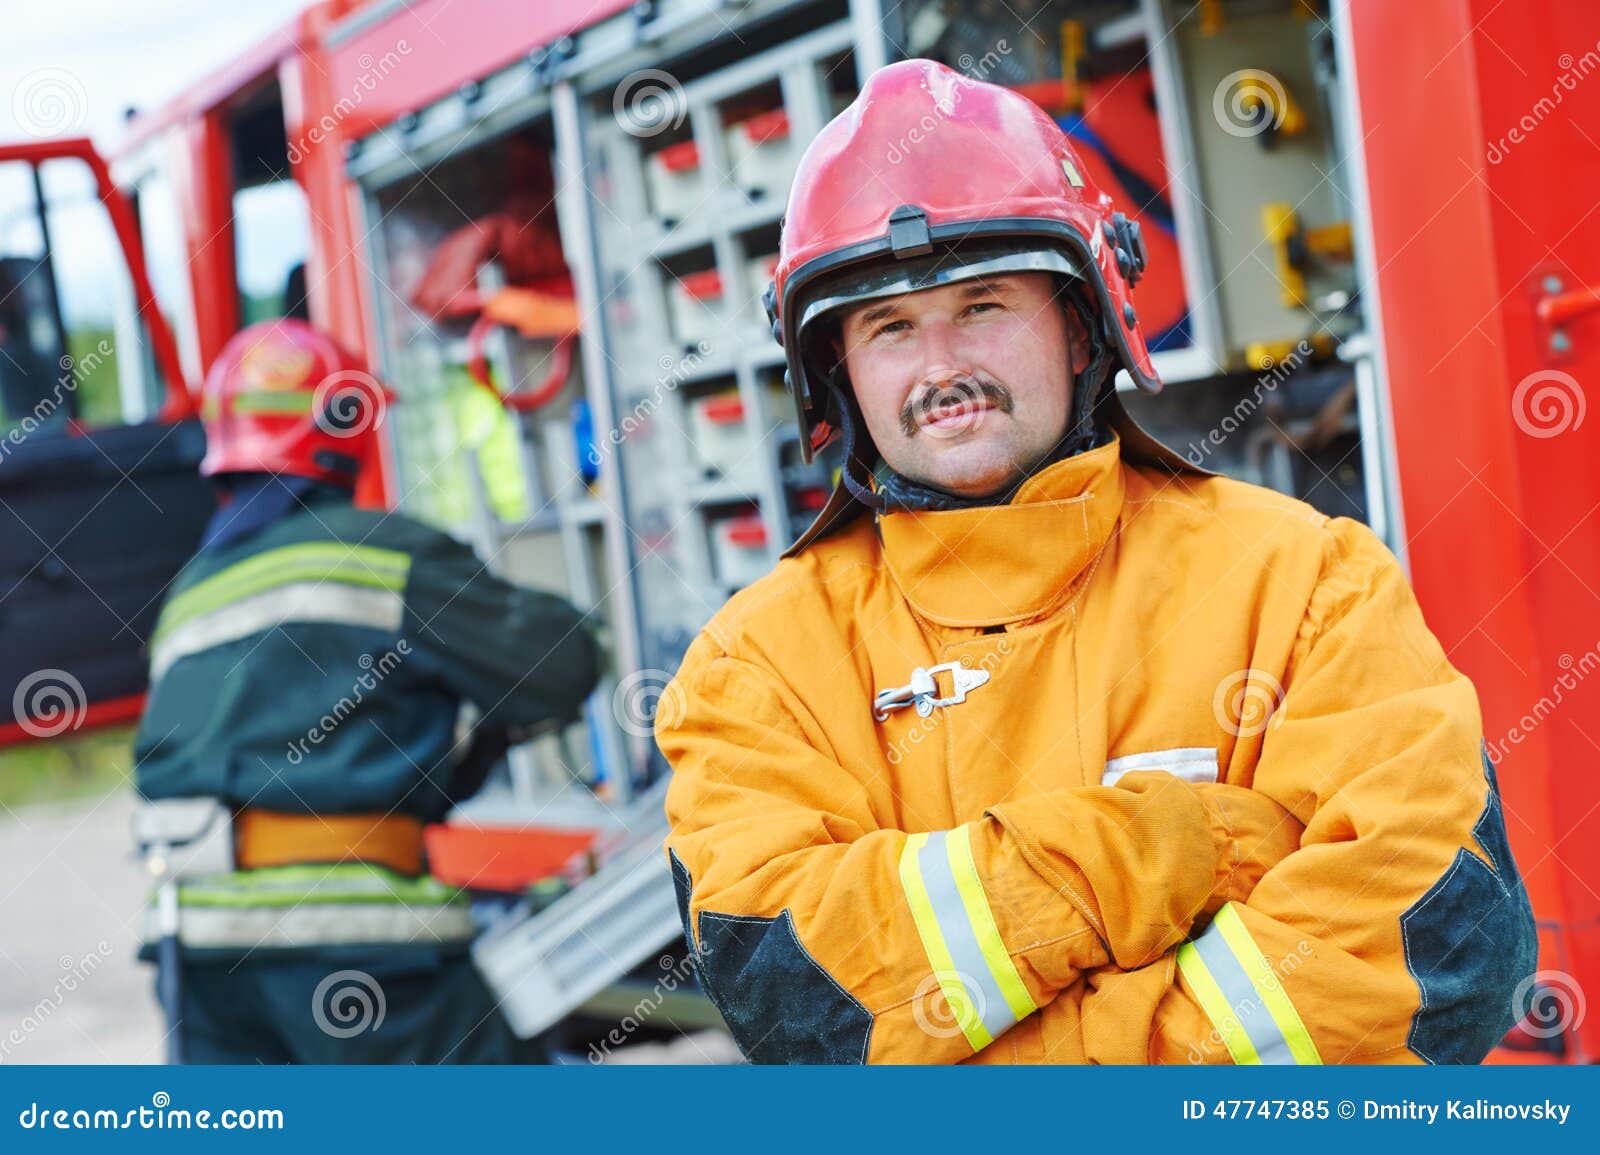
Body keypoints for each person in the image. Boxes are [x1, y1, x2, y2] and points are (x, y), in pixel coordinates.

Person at [657, 60, 1538, 1065]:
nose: (941, 366)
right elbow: (799, 1003)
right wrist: (1169, 847)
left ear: (1084, 328)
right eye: (889, 327)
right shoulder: (753, 666)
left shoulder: (1303, 581)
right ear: (837, 377)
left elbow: (1430, 957)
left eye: (983, 305)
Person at [133, 318, 598, 1063]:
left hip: (196, 950)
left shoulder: (188, 593)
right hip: (350, 941)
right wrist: (479, 727)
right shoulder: (381, 552)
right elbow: (561, 664)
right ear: (344, 430)